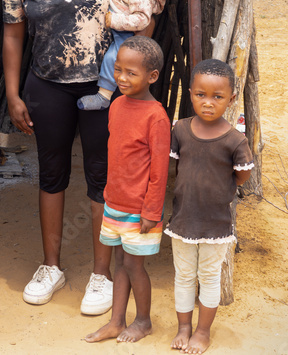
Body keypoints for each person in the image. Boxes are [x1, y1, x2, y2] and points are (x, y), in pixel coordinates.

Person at [1, 0, 118, 315]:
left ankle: (101, 273)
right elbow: (13, 34)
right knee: (51, 176)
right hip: (47, 85)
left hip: (101, 88)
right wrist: (12, 92)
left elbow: (127, 7)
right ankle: (52, 266)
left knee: (100, 179)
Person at [83, 35, 171, 344]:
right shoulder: (117, 105)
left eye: (131, 73)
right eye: (118, 69)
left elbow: (160, 171)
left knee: (134, 265)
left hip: (139, 208)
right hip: (114, 202)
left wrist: (151, 210)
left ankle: (143, 320)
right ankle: (116, 321)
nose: (121, 77)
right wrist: (109, 195)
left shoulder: (156, 116)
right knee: (120, 262)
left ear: (152, 77)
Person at [165, 59, 254, 354]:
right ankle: (184, 328)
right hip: (183, 220)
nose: (207, 103)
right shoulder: (180, 130)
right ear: (190, 94)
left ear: (231, 99)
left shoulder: (235, 140)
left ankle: (203, 332)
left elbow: (242, 177)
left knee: (209, 277)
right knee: (184, 276)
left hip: (216, 224)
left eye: (217, 97)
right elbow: (176, 165)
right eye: (200, 95)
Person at [77, 0, 166, 110]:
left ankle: (104, 96)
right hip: (116, 27)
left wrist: (113, 21)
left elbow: (142, 21)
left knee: (113, 58)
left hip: (126, 32)